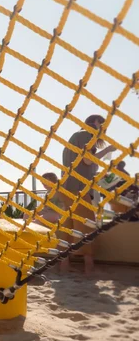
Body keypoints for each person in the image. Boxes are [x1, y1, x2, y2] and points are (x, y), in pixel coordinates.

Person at [59, 114, 117, 273]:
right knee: (86, 226)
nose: (103, 129)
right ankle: (89, 266)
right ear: (95, 123)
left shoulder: (75, 137)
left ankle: (64, 265)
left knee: (69, 227)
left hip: (66, 186)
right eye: (102, 125)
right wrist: (108, 150)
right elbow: (87, 160)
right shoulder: (86, 136)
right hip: (79, 188)